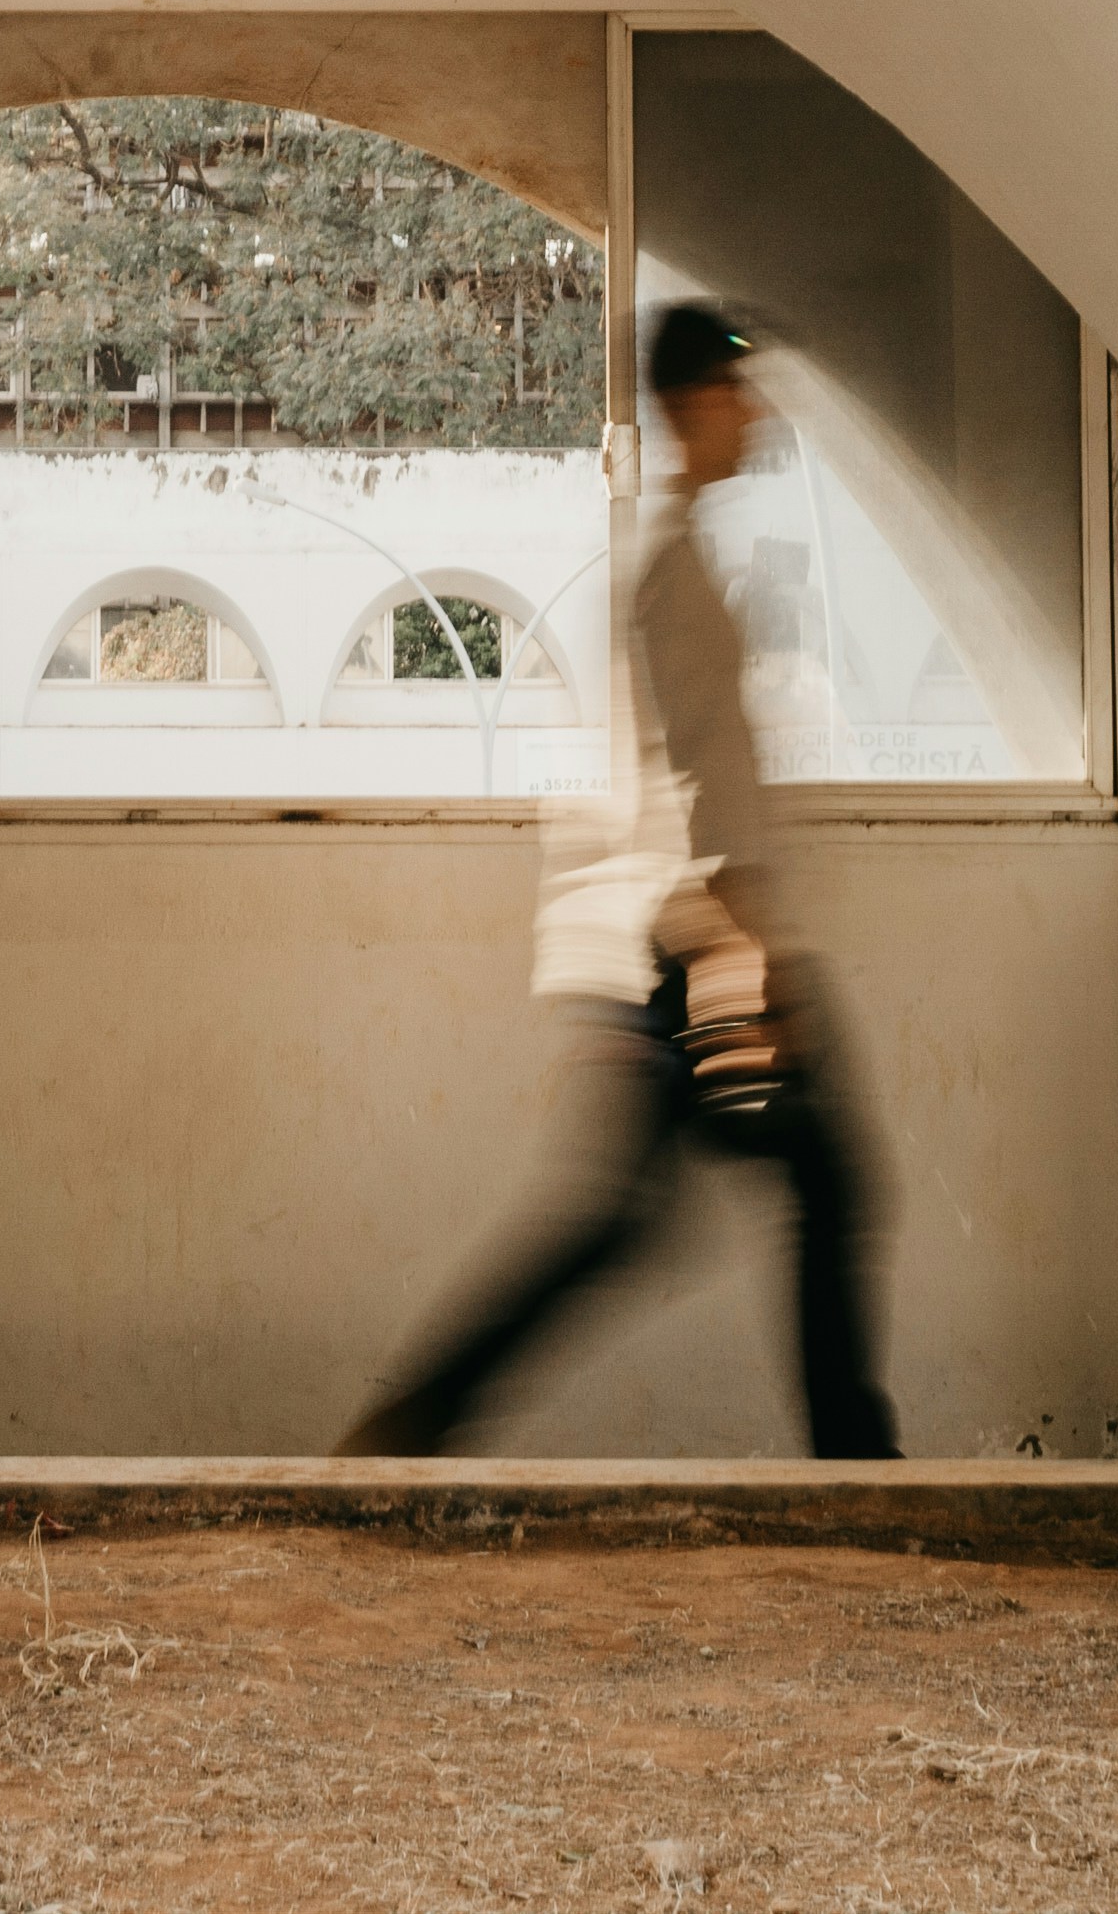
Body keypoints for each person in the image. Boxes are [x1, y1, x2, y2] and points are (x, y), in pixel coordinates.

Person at [338, 300, 901, 1459]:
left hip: (671, 947)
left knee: (630, 1218)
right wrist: (752, 980)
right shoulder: (676, 583)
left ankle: (420, 1418)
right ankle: (855, 1466)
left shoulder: (676, 567)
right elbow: (697, 794)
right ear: (688, 405)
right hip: (693, 950)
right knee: (828, 1184)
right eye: (735, 393)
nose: (752, 416)